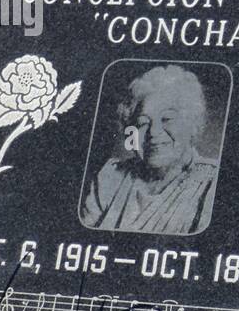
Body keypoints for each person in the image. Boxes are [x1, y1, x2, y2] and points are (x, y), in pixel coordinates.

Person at [81, 65, 220, 234]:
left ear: (191, 124)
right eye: (143, 123)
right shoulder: (109, 177)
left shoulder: (212, 184)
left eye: (167, 118)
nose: (153, 132)